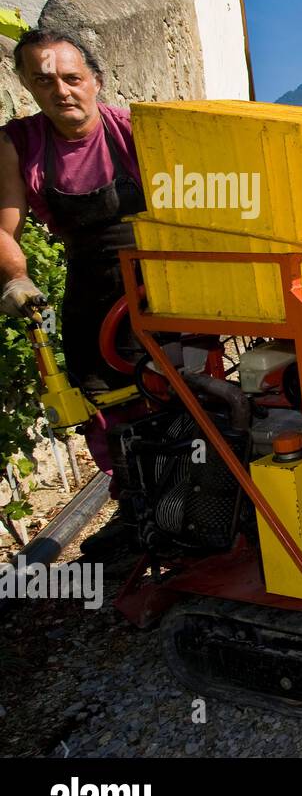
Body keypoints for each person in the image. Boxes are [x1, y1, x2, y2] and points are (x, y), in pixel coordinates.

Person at [1, 29, 146, 543]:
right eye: (44, 80)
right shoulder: (19, 144)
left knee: (182, 394)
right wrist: (16, 277)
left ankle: (197, 501)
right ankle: (139, 512)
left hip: (159, 282)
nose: (61, 90)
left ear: (95, 82)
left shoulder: (133, 132)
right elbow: (4, 226)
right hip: (92, 286)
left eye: (72, 77)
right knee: (105, 405)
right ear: (27, 86)